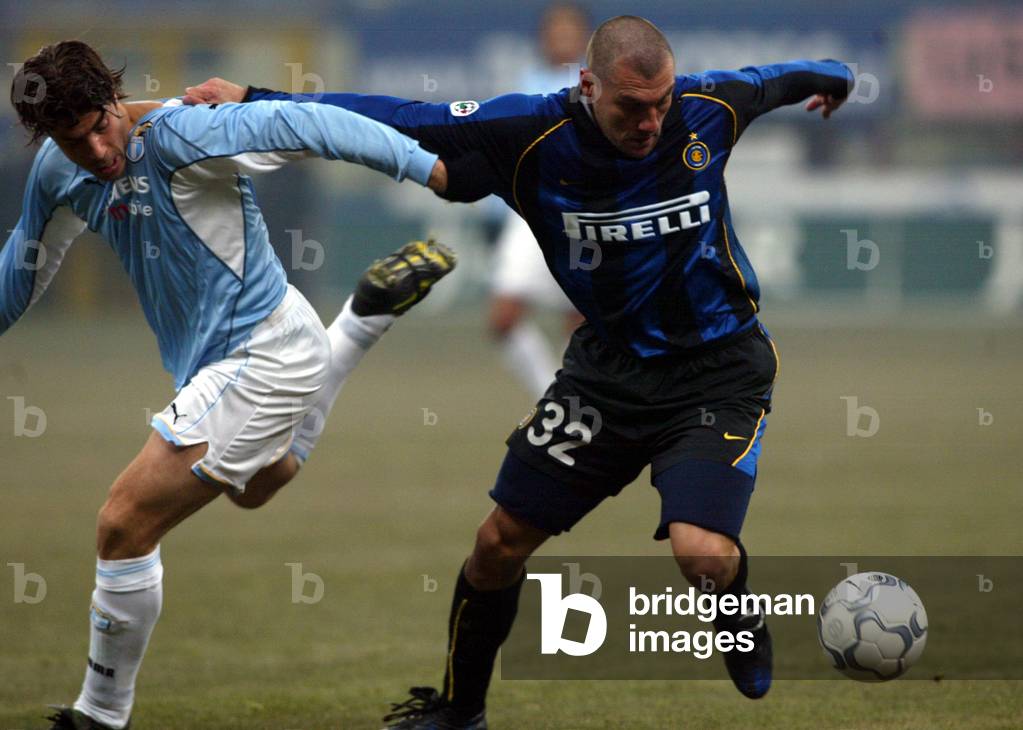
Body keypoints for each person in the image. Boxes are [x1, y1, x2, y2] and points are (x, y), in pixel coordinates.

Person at [188, 14, 852, 729]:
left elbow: (782, 79)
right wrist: (256, 99)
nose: (651, 123)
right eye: (632, 107)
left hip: (716, 371)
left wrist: (835, 79)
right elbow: (393, 116)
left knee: (702, 555)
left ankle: (737, 614)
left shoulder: (707, 107)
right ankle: (458, 711)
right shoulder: (527, 133)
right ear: (588, 85)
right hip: (605, 376)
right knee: (497, 544)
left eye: (661, 104)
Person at [3, 40, 459, 730]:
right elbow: (20, 273)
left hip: (262, 353)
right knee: (257, 487)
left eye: (101, 125)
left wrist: (426, 167)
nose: (96, 150)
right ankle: (358, 325)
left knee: (124, 522)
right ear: (48, 138)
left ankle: (99, 714)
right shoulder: (57, 173)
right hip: (236, 360)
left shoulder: (185, 134)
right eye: (74, 141)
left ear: (114, 97)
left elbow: (312, 122)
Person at [487, 2, 587, 396]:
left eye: (569, 29)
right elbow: (503, 149)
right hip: (528, 213)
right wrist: (495, 207)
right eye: (554, 30)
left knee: (579, 321)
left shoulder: (597, 84)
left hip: (580, 213)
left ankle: (578, 402)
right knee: (504, 317)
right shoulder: (524, 84)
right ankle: (550, 394)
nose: (561, 37)